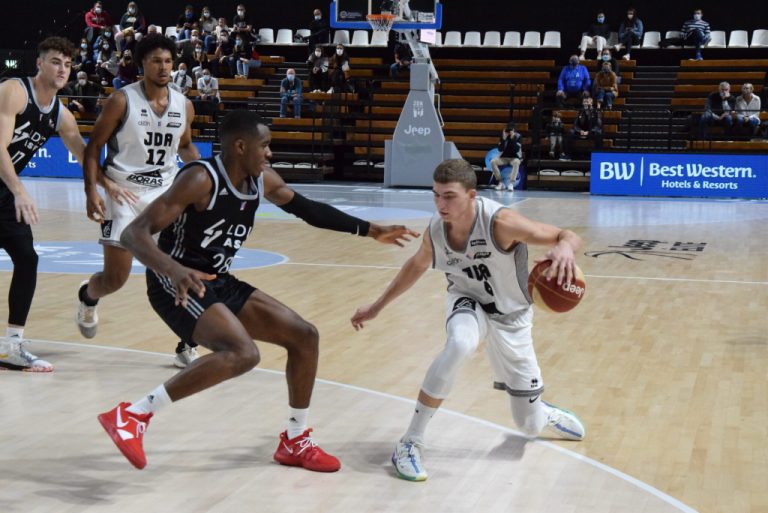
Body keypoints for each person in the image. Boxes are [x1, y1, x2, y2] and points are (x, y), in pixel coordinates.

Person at [97, 109, 418, 470]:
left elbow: (308, 210)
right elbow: (133, 234)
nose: (269, 153)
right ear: (240, 146)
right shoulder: (200, 179)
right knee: (242, 353)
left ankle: (295, 441)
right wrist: (174, 270)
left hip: (218, 280)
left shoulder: (261, 180)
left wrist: (371, 230)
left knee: (304, 336)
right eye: (264, 145)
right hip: (176, 283)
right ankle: (133, 416)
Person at [350, 158, 586, 482]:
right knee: (460, 344)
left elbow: (566, 235)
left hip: (512, 317)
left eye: (449, 196)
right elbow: (416, 265)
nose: (440, 204)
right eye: (436, 195)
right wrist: (378, 306)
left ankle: (541, 413)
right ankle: (410, 441)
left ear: (472, 195)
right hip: (468, 300)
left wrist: (566, 249)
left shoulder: (501, 223)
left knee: (528, 426)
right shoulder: (436, 230)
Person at [76, 35, 199, 365]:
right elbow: (93, 148)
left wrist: (205, 174)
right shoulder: (121, 100)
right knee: (115, 279)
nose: (164, 67)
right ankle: (88, 296)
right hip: (123, 193)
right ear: (142, 64)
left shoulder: (184, 105)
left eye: (168, 61)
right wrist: (91, 191)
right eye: (156, 61)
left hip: (167, 193)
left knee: (182, 269)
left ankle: (188, 342)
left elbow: (185, 145)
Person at [0, 37, 86, 372]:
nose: (62, 69)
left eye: (67, 64)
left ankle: (12, 346)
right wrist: (20, 190)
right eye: (55, 62)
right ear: (39, 63)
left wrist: (107, 189)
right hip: (11, 189)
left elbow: (85, 157)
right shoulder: (14, 91)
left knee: (27, 259)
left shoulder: (62, 115)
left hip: (5, 194)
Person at [561, 95, 602, 160]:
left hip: (592, 132)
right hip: (581, 132)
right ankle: (568, 155)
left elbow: (598, 125)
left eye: (587, 102)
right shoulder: (580, 111)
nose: (585, 103)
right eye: (584, 102)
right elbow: (575, 125)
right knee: (571, 132)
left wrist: (589, 132)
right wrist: (580, 131)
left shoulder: (596, 112)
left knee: (599, 133)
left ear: (591, 103)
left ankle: (598, 156)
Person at [490, 123, 521, 192]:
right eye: (508, 130)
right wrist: (503, 139)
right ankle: (501, 183)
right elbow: (500, 149)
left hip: (514, 158)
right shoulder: (503, 135)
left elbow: (516, 150)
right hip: (503, 158)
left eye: (511, 130)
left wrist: (512, 139)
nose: (509, 132)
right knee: (493, 161)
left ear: (514, 130)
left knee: (516, 162)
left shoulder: (518, 136)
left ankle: (511, 184)